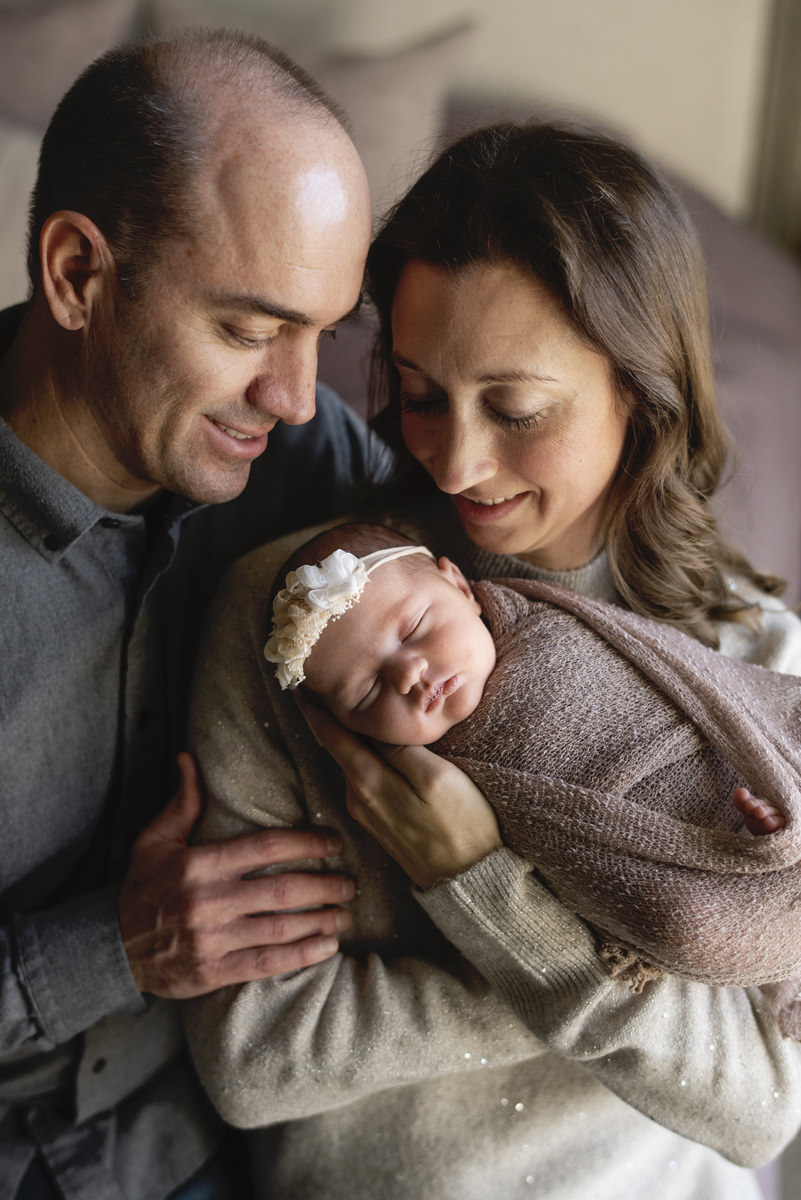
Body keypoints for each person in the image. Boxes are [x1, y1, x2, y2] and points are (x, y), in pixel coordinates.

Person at [186, 122, 801, 1199]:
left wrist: (479, 885)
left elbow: (758, 1109)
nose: (457, 460)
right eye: (421, 395)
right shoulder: (314, 626)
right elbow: (256, 1056)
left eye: (515, 410)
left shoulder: (752, 663)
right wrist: (622, 984)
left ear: (640, 391)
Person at [0, 28, 375, 1200]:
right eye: (250, 330)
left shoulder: (299, 453)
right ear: (76, 274)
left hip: (218, 1141)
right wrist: (113, 948)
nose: (296, 396)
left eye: (322, 334)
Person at [264, 520, 801, 997]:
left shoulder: (552, 627)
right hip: (683, 876)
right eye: (367, 693)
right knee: (686, 927)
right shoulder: (408, 794)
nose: (408, 675)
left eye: (414, 630)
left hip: (727, 779)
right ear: (345, 730)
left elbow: (711, 696)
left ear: (459, 586)